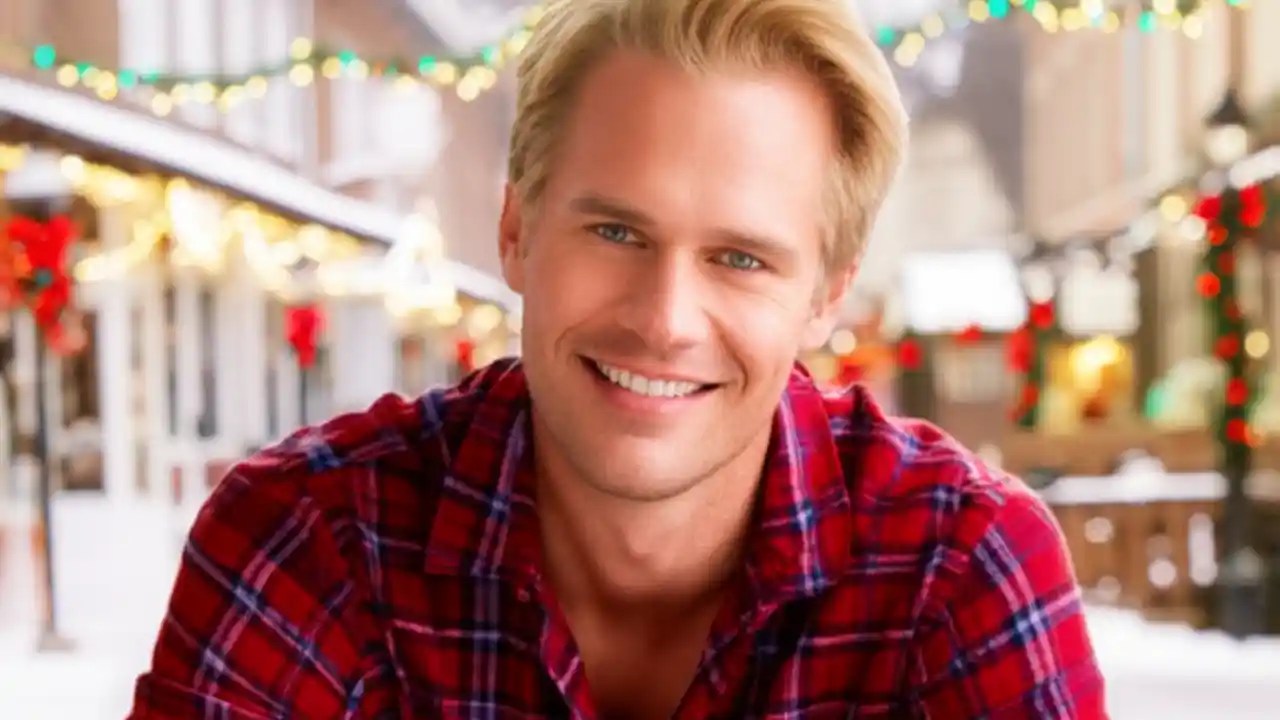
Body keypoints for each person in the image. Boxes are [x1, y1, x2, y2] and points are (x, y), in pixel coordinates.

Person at [131, 0, 1106, 717]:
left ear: (824, 295)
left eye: (739, 258)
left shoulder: (955, 568)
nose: (664, 319)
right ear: (515, 230)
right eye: (613, 232)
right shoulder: (309, 540)